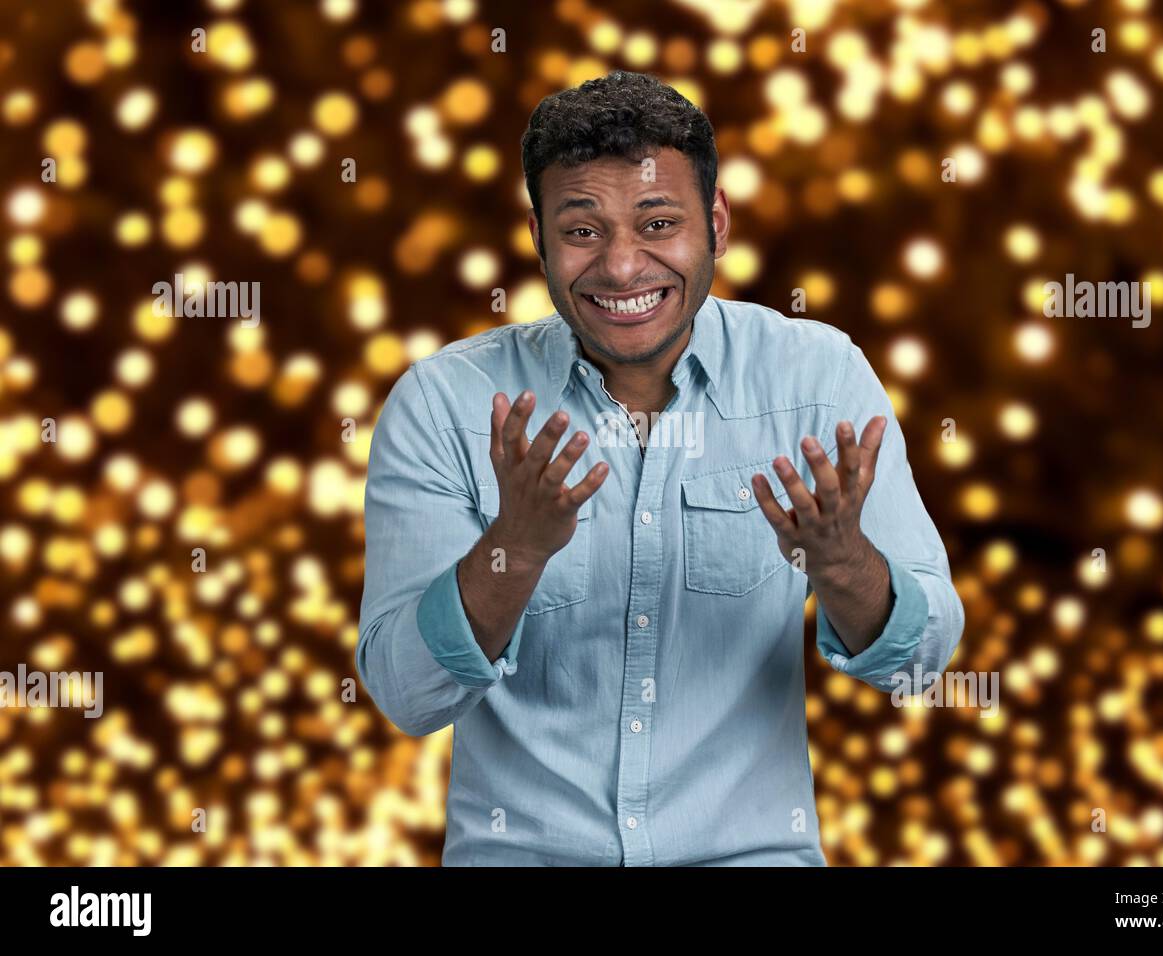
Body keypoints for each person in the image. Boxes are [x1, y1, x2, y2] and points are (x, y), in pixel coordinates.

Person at [356, 70, 964, 865]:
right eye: (582, 230)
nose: (620, 266)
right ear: (537, 236)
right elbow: (406, 694)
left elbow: (921, 665)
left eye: (658, 222)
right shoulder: (445, 403)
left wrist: (845, 560)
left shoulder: (816, 380)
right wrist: (517, 546)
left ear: (715, 224)